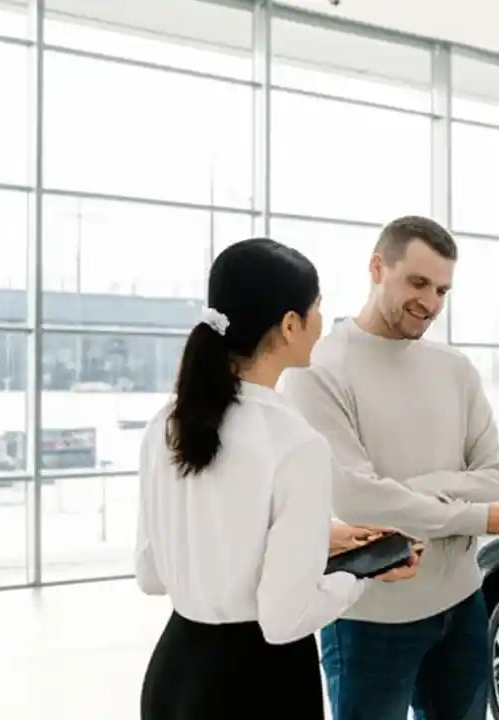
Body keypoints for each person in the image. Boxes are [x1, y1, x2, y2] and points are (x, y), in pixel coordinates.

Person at [135, 238, 417, 720]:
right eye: (318, 308)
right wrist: (361, 574)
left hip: (175, 675)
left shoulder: (167, 423)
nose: (323, 322)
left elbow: (152, 574)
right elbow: (283, 619)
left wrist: (316, 538)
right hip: (258, 685)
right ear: (290, 324)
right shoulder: (295, 443)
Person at [281, 215, 499, 720]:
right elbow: (358, 501)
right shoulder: (319, 367)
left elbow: (498, 475)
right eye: (418, 282)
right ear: (376, 267)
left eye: (442, 290)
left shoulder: (456, 369)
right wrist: (478, 514)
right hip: (370, 616)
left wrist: (415, 489)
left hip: (464, 603)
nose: (430, 302)